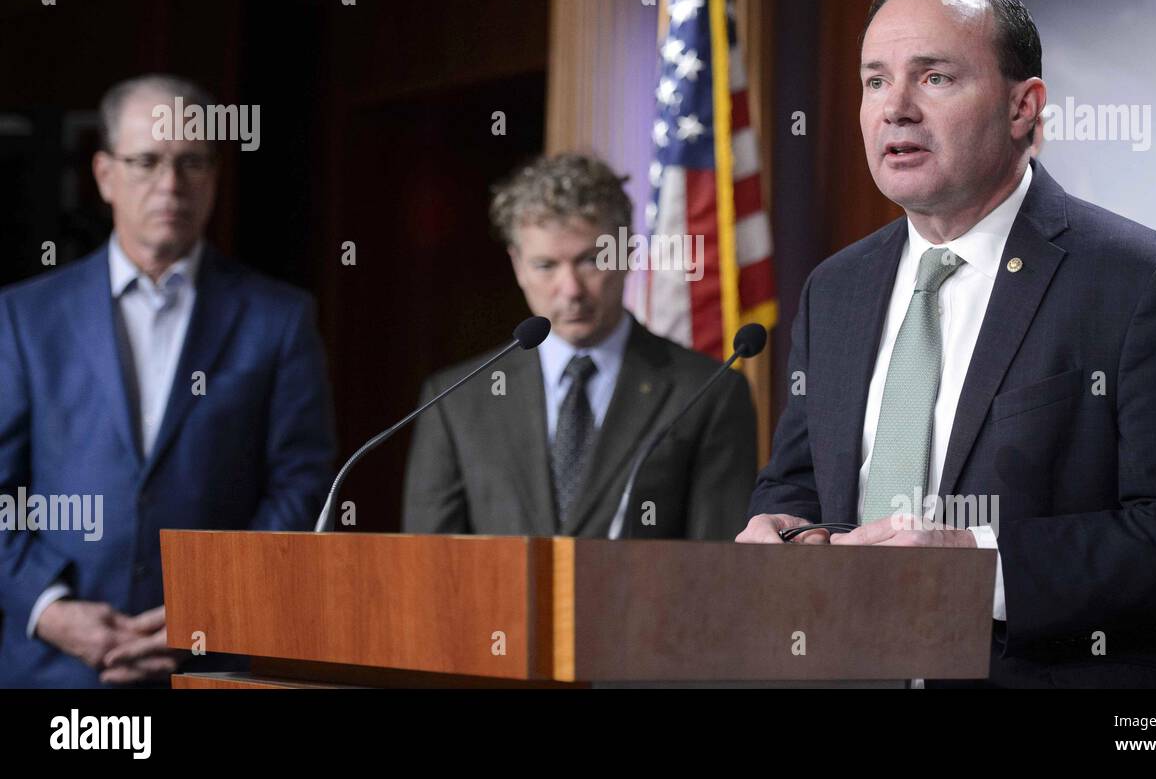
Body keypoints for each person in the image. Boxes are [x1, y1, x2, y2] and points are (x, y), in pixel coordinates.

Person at [739, 0, 1156, 688]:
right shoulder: (836, 289)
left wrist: (983, 569)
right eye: (875, 81)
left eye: (935, 77)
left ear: (1024, 108)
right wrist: (781, 527)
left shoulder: (1142, 282)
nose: (895, 108)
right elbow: (795, 482)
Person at [0, 74, 335, 687]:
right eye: (146, 161)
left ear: (214, 174)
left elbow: (302, 485)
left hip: (215, 664)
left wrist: (212, 609)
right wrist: (47, 607)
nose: (170, 185)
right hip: (53, 667)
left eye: (192, 162)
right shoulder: (23, 317)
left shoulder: (279, 319)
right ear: (104, 175)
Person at [403, 154, 756, 540]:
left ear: (627, 253)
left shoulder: (708, 393)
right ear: (518, 267)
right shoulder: (455, 400)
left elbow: (719, 570)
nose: (570, 290)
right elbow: (431, 572)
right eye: (545, 266)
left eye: (590, 260)